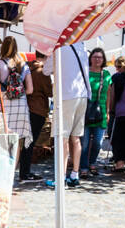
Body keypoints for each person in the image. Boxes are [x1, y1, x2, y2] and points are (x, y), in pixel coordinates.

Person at [42, 44, 90, 186]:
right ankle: (74, 174)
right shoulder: (82, 47)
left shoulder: (58, 48)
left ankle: (61, 178)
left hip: (66, 95)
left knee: (62, 138)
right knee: (75, 138)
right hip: (82, 95)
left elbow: (46, 70)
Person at [0, 36, 34, 171]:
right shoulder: (23, 64)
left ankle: (3, 170)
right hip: (21, 105)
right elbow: (30, 90)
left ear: (2, 47)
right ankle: (12, 173)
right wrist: (17, 91)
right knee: (17, 141)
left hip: (5, 104)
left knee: (3, 138)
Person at [20, 49, 53, 181]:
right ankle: (25, 173)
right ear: (46, 57)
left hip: (26, 107)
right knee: (30, 142)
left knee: (26, 141)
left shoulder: (27, 68)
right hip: (38, 109)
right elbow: (50, 92)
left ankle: (24, 171)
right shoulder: (42, 72)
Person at [81, 47, 112, 175]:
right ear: (91, 58)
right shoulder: (85, 72)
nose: (97, 59)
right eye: (95, 57)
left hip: (101, 113)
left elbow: (109, 94)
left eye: (100, 57)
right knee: (85, 143)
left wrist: (108, 111)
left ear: (103, 59)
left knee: (98, 143)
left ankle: (92, 162)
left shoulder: (106, 75)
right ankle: (83, 167)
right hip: (85, 111)